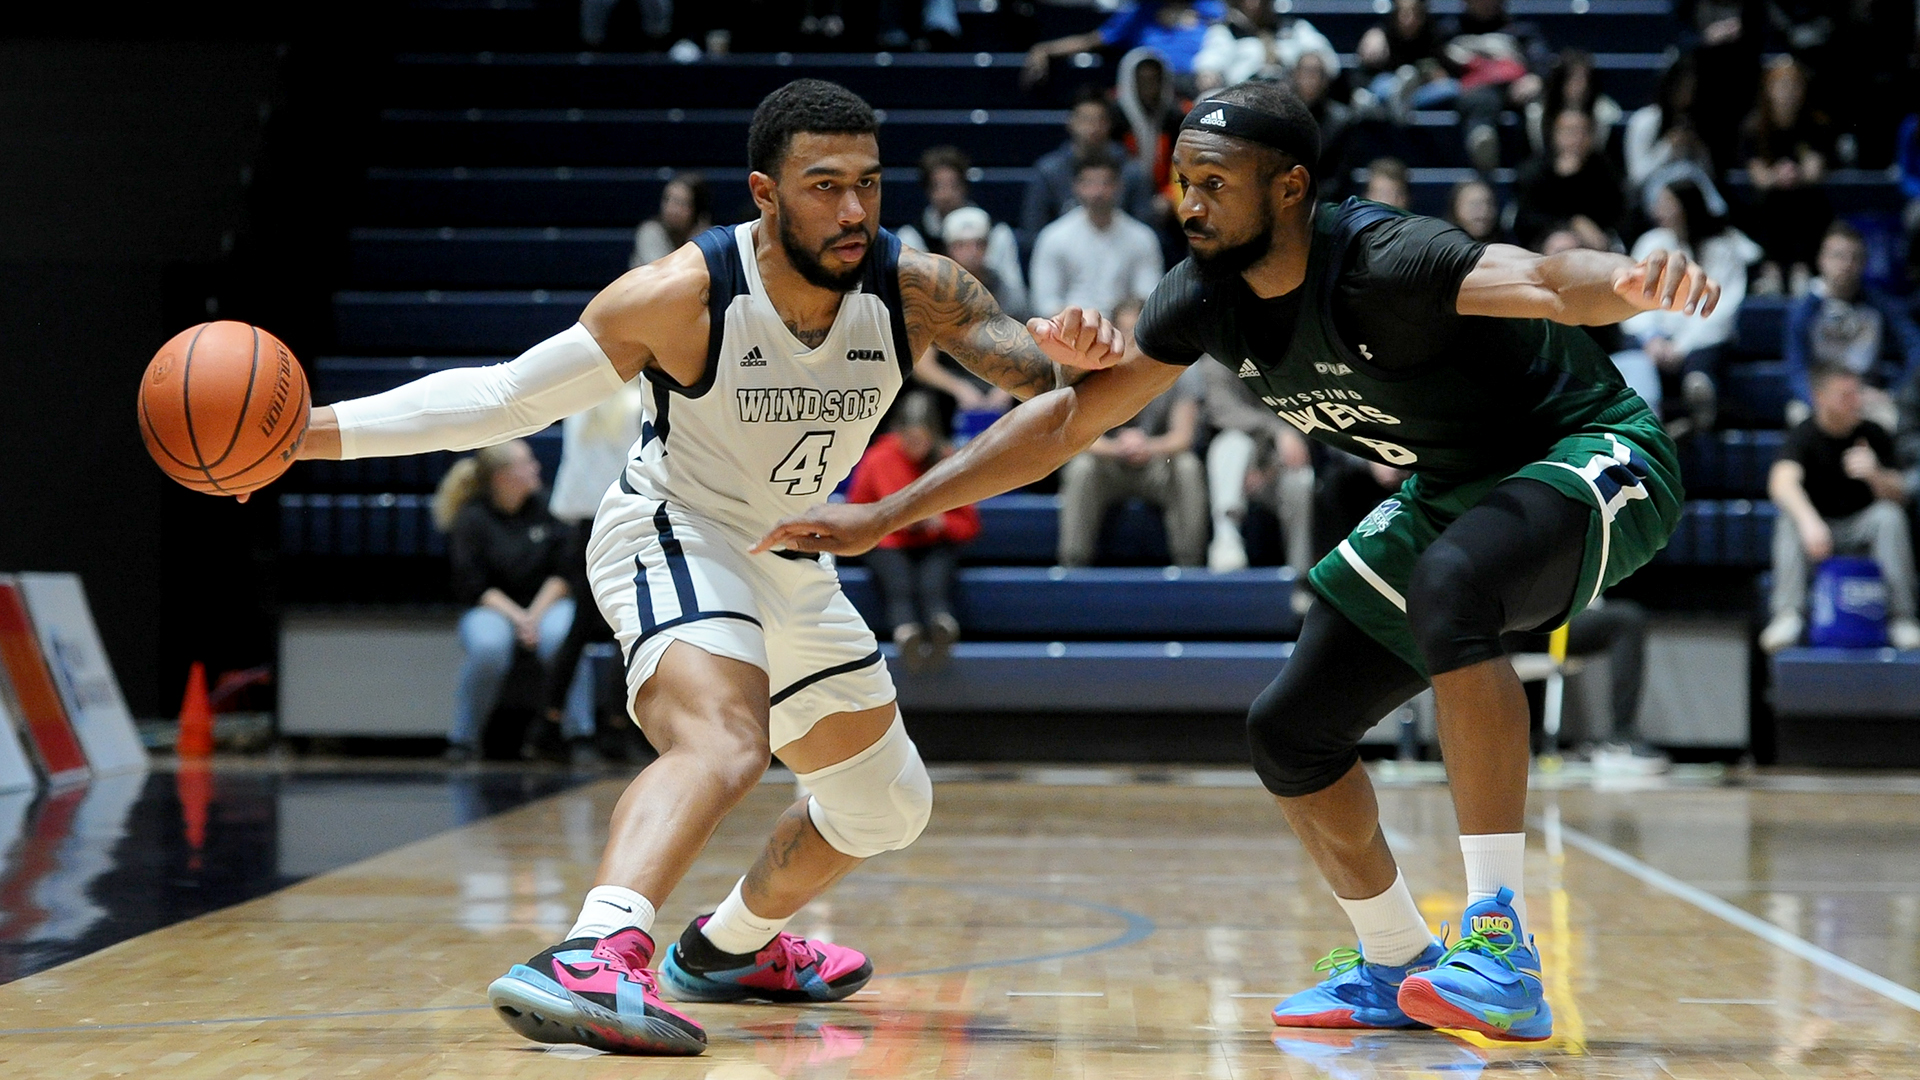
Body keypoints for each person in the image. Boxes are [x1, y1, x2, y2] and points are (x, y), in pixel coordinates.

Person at [761, 79, 1718, 1044]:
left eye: (1214, 183)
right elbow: (1065, 419)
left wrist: (1633, 278)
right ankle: (1395, 961)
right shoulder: (1201, 298)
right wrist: (885, 512)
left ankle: (1500, 945)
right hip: (1458, 485)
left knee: (1453, 585)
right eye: (1181, 181)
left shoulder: (1383, 257)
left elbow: (1549, 281)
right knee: (1292, 733)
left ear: (1291, 187)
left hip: (1596, 451)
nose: (1189, 204)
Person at [288, 79, 1123, 1056]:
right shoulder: (684, 294)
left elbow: (1053, 395)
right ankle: (596, 950)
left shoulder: (919, 286)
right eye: (824, 186)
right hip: (670, 525)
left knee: (885, 804)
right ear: (765, 195)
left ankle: (726, 949)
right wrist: (304, 436)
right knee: (726, 741)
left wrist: (1079, 359)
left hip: (789, 549)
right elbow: (506, 398)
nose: (853, 210)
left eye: (868, 183)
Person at [434, 440, 594, 763]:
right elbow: (473, 584)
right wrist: (519, 618)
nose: (536, 467)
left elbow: (565, 571)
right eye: (526, 463)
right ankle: (463, 740)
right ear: (502, 476)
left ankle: (580, 736)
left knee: (563, 638)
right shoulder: (472, 518)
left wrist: (533, 615)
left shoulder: (550, 506)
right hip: (492, 608)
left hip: (548, 604)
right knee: (488, 647)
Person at [1762, 365, 1920, 652]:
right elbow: (1780, 482)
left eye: (1857, 394)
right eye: (1845, 395)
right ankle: (1788, 615)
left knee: (1890, 517)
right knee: (1789, 520)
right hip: (1820, 532)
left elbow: (1902, 493)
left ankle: (1901, 619)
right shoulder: (1804, 434)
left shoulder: (1873, 434)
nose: (1855, 401)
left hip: (1863, 529)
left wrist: (1875, 474)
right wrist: (1809, 521)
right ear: (1820, 396)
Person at [541, 379, 651, 764]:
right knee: (628, 625)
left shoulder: (580, 401)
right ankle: (618, 725)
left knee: (580, 629)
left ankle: (549, 721)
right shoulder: (640, 401)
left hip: (584, 523)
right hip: (622, 519)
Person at [1056, 320, 1208, 568]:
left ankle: (1190, 567)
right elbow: (1077, 437)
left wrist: (1146, 446)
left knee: (1188, 467)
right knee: (1081, 467)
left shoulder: (1182, 368)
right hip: (1109, 463)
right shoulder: (1089, 367)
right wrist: (1118, 448)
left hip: (1158, 462)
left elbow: (1183, 437)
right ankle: (1072, 567)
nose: (1132, 340)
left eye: (1138, 331)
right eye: (1124, 332)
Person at [1611, 178, 1759, 429]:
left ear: (1687, 206)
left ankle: (1698, 413)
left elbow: (1722, 307)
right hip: (1655, 341)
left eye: (1667, 204)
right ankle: (1648, 421)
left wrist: (1681, 347)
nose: (1658, 211)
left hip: (1698, 340)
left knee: (1702, 365)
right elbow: (1634, 293)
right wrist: (1651, 338)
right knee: (1633, 354)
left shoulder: (1721, 247)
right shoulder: (1651, 242)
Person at [848, 393, 979, 668]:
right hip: (887, 542)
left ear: (934, 435)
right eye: (908, 439)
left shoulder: (948, 459)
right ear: (898, 433)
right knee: (899, 582)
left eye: (921, 439)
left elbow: (969, 525)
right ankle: (906, 631)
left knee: (934, 578)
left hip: (934, 542)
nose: (914, 446)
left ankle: (941, 623)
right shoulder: (878, 458)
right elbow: (857, 511)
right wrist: (892, 522)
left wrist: (942, 523)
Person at [1784, 222, 1920, 426]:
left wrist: (1894, 392)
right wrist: (1818, 398)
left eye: (1855, 257)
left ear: (1864, 263)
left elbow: (1915, 348)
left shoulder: (1880, 305)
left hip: (1865, 397)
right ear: (1821, 260)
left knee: (1892, 420)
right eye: (1838, 256)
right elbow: (1796, 370)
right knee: (1799, 417)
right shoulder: (1803, 310)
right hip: (1821, 396)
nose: (1846, 264)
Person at [1198, 356, 1315, 588]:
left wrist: (1268, 472)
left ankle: (1300, 579)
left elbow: (1303, 417)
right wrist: (1278, 430)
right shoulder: (1216, 357)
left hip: (1271, 471)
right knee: (1233, 443)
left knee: (1302, 479)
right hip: (1226, 472)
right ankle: (1226, 537)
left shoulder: (1288, 358)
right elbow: (1223, 411)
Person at [1020, 88, 1159, 254]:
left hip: (1121, 262)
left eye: (1100, 120)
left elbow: (1146, 232)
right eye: (1086, 120)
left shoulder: (1132, 172)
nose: (1093, 128)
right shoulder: (1048, 171)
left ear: (1109, 124)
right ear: (1071, 122)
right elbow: (1033, 235)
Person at [1029, 150, 1165, 318]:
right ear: (1076, 187)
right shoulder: (1053, 237)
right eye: (1090, 183)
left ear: (1119, 186)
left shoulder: (1142, 237)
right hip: (1070, 332)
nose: (1098, 192)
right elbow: (1046, 303)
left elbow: (1148, 297)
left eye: (1105, 183)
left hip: (1125, 332)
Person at [1740, 56, 1834, 294]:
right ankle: (1771, 269)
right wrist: (1777, 175)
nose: (1788, 93)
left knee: (1803, 197)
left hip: (1805, 197)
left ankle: (1802, 268)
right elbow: (1759, 176)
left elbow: (1813, 172)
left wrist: (1795, 173)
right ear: (1768, 90)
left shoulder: (1817, 124)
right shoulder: (1753, 127)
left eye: (1794, 86)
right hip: (1770, 199)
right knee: (1771, 197)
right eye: (1781, 86)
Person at [894, 146, 1027, 313]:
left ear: (965, 186)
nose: (946, 194)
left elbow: (1017, 303)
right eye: (938, 186)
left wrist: (987, 276)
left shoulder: (997, 233)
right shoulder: (912, 237)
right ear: (927, 190)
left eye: (953, 185)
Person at [1022, 0, 1227, 88]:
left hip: (1201, 84)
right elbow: (1092, 40)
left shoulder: (1207, 6)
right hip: (1154, 89)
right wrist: (1046, 49)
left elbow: (1233, 31)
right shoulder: (1138, 13)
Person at [1512, 109, 1623, 252]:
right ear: (1555, 135)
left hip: (1597, 241)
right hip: (1547, 242)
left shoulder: (1604, 169)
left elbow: (1618, 212)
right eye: (1570, 132)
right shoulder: (1534, 171)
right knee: (1563, 244)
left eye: (1583, 132)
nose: (1577, 139)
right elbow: (1527, 220)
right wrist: (1572, 222)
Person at [1193, 0, 1340, 91]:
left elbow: (1327, 59)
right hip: (1242, 96)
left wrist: (1310, 64)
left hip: (1291, 95)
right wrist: (1208, 74)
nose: (1256, 4)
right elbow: (1210, 62)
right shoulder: (1225, 31)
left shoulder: (1293, 27)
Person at [631, 173, 712, 268]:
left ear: (696, 209)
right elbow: (662, 274)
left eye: (681, 203)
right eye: (667, 200)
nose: (671, 209)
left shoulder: (707, 236)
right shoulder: (649, 232)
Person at [1446, 177, 1507, 245]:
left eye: (1489, 204)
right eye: (1474, 205)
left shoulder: (1509, 247)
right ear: (1455, 207)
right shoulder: (1440, 250)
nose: (1484, 211)